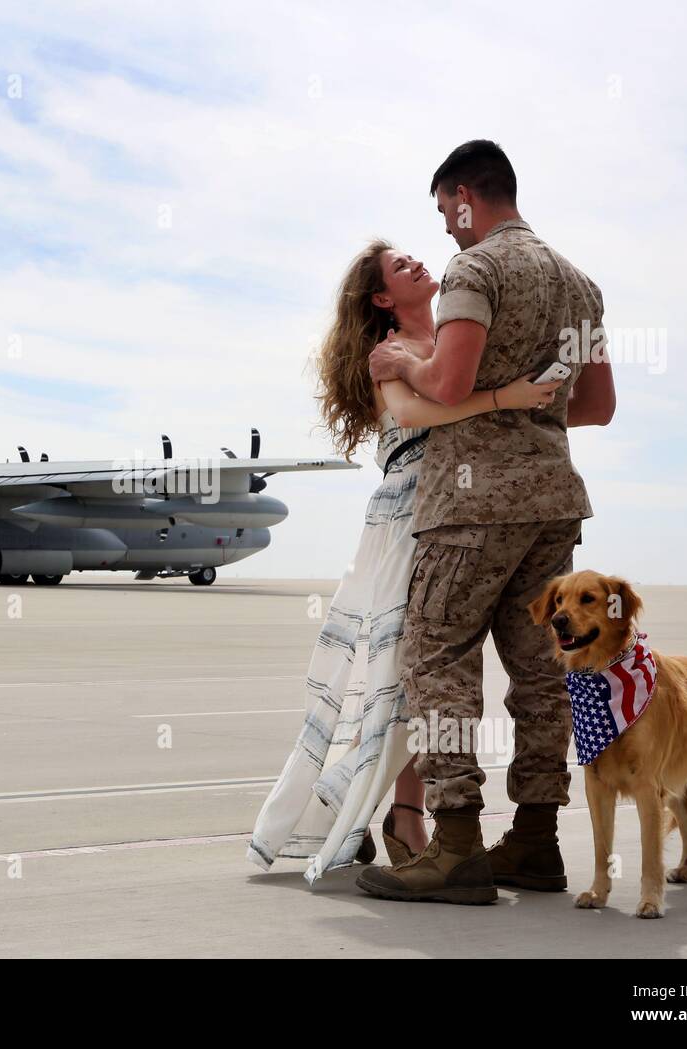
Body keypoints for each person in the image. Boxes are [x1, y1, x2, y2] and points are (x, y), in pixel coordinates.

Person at [246, 238, 561, 885]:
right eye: (399, 266)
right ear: (384, 297)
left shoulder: (458, 336)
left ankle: (386, 813)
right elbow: (423, 410)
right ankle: (393, 816)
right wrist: (511, 398)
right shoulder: (388, 354)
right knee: (411, 673)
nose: (418, 261)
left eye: (414, 256)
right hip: (409, 513)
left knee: (424, 675)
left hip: (462, 506)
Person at [357, 140, 616, 906]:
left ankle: (458, 842)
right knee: (543, 674)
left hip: (471, 506)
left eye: (445, 210)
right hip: (551, 503)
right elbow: (597, 406)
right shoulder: (582, 286)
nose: (445, 229)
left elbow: (451, 380)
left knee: (437, 659)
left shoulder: (478, 270)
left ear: (468, 194)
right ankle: (536, 837)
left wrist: (400, 365)